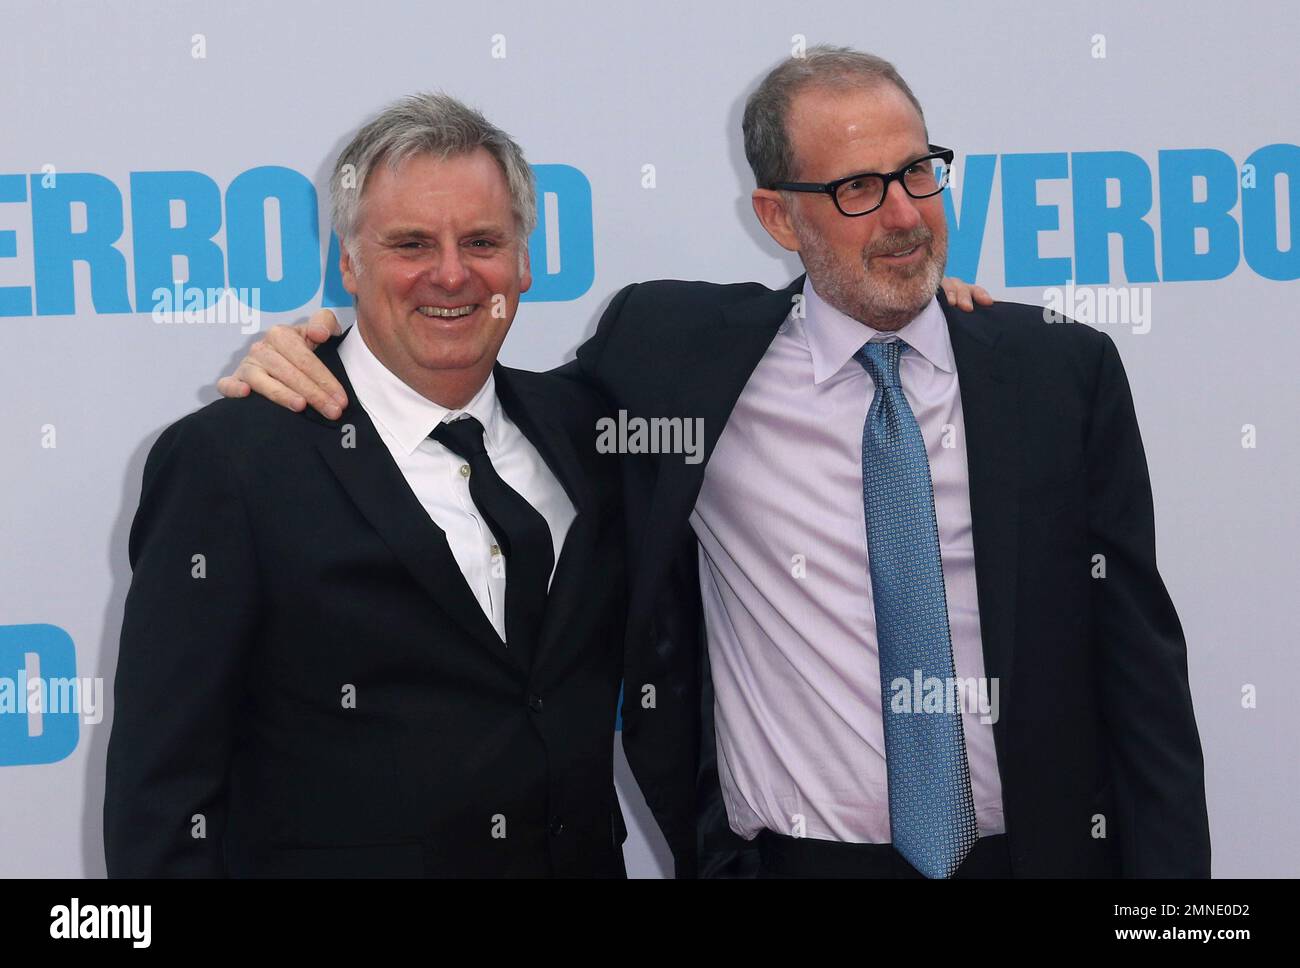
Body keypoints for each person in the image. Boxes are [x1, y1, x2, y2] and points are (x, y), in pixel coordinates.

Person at [222, 47, 1210, 879]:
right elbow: (484, 392)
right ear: (779, 218)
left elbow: (1141, 677)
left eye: (918, 172)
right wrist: (318, 358)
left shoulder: (1056, 370)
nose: (905, 214)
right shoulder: (674, 354)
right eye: (857, 189)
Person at [104, 93, 629, 877]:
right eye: (410, 242)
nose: (450, 273)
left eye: (482, 240)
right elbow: (162, 799)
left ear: (523, 261)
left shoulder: (594, 429)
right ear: (348, 262)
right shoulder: (231, 462)